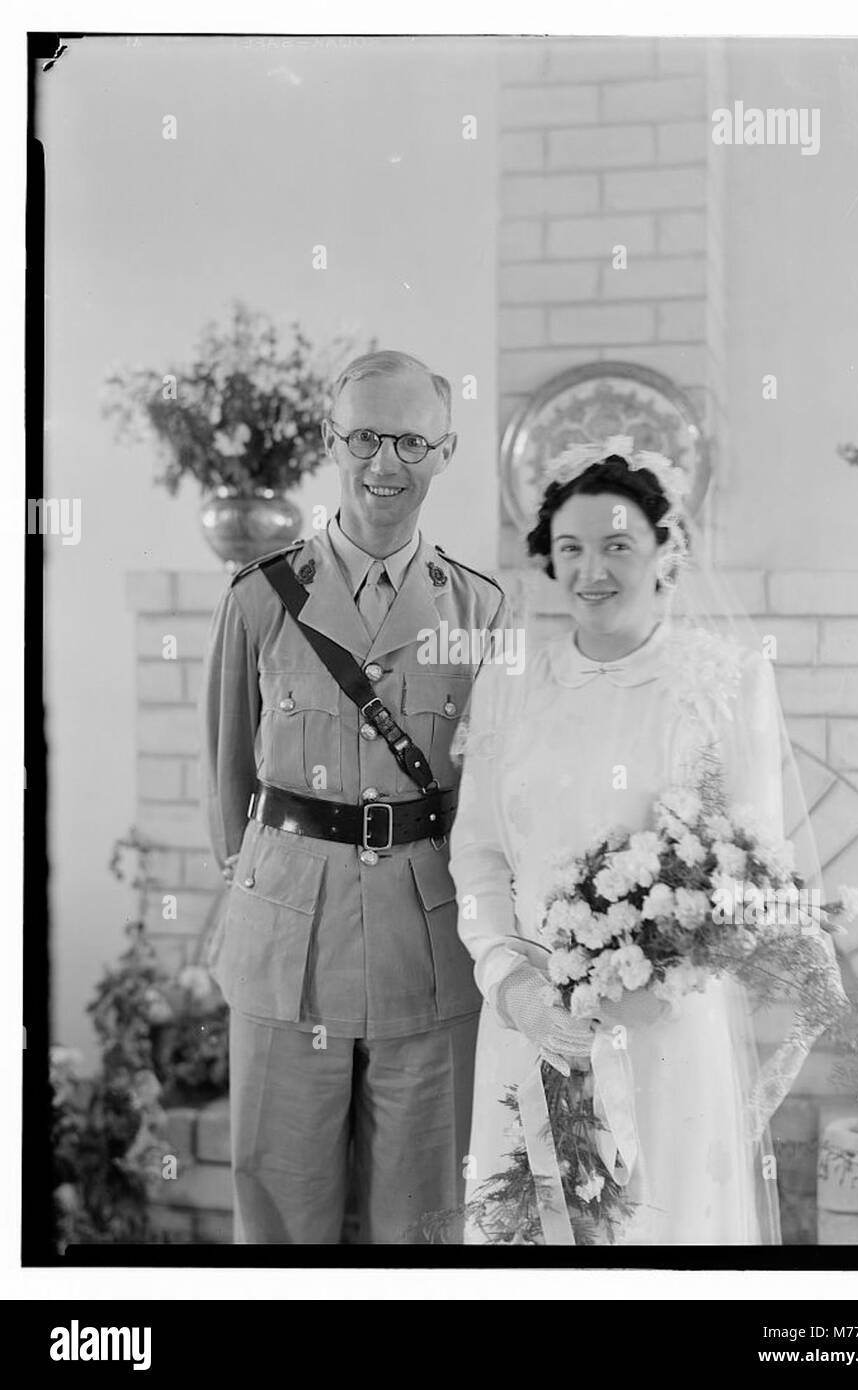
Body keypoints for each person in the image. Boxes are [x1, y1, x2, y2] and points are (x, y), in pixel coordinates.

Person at [447, 437, 844, 1244]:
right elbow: (478, 856)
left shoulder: (725, 681)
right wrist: (510, 981)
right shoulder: (508, 682)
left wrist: (643, 975)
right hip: (528, 1024)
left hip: (662, 1031)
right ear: (547, 563)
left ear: (666, 552)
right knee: (532, 1233)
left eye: (617, 545)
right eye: (570, 549)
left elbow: (751, 871)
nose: (592, 570)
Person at [201, 349, 508, 1243]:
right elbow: (229, 773)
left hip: (428, 944)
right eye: (366, 437)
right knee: (282, 1211)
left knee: (427, 1218)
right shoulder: (262, 597)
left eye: (411, 441)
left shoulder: (479, 611)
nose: (386, 465)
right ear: (332, 440)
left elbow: (491, 790)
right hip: (287, 943)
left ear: (445, 452)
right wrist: (260, 889)